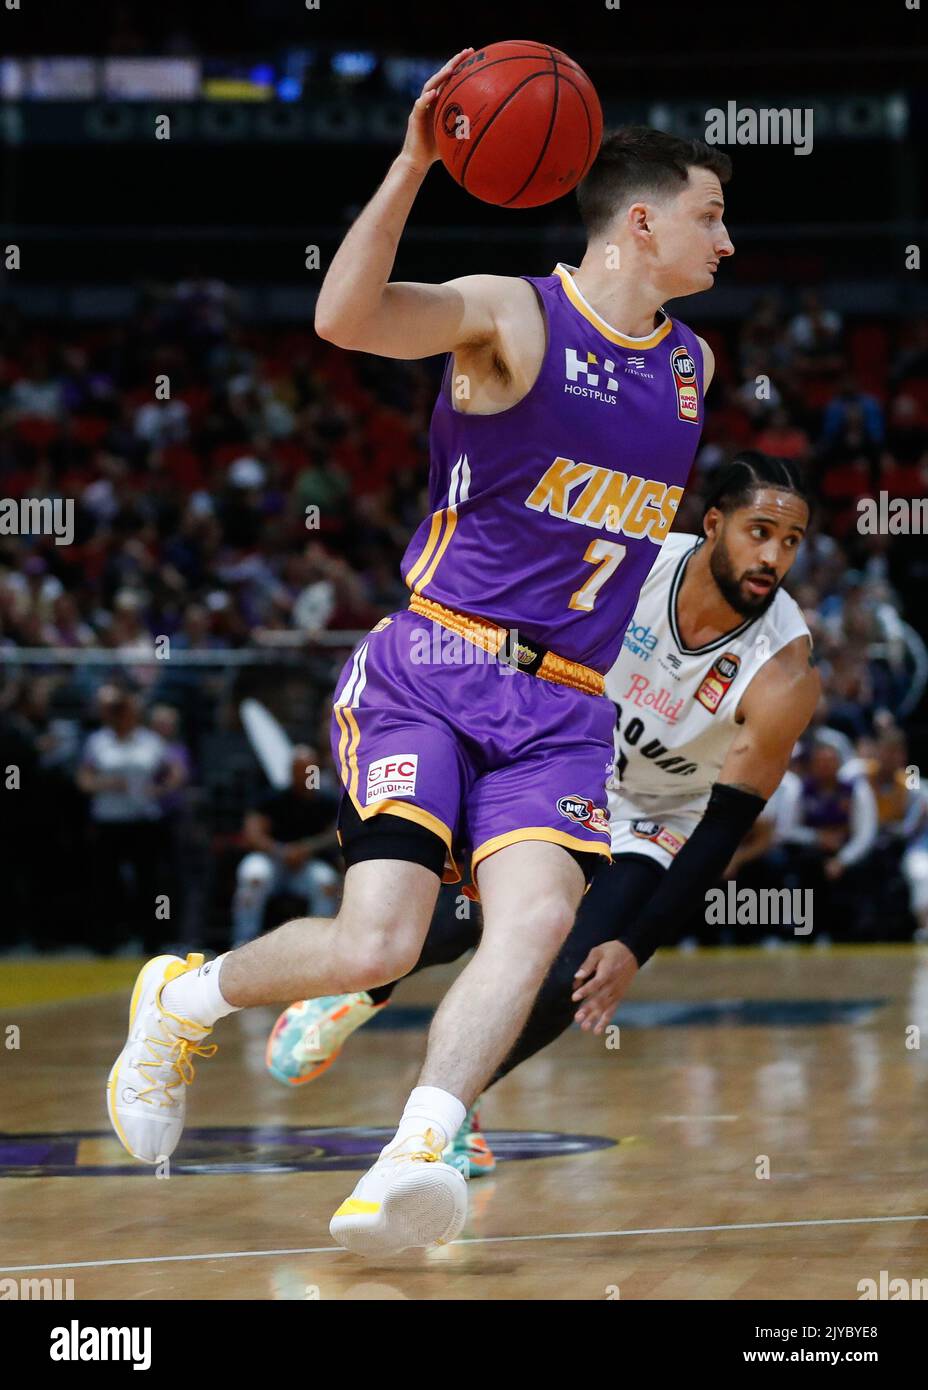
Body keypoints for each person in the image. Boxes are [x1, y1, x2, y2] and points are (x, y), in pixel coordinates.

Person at [105, 49, 734, 1256]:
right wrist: (410, 162)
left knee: (535, 921)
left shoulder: (694, 369)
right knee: (380, 941)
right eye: (711, 216)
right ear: (640, 223)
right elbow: (344, 317)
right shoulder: (510, 310)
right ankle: (180, 996)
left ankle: (412, 1153)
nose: (728, 241)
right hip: (435, 668)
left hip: (565, 704)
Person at [268, 454, 820, 1170]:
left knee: (573, 975)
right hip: (562, 759)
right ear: (713, 524)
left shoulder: (785, 672)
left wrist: (635, 946)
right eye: (760, 532)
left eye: (792, 542)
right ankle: (353, 991)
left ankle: (449, 1106)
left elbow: (723, 827)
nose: (773, 556)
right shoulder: (636, 567)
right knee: (463, 916)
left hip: (657, 814)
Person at [231, 745, 341, 948]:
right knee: (253, 874)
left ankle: (318, 947)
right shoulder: (273, 798)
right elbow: (252, 833)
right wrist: (282, 851)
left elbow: (336, 833)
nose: (304, 774)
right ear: (291, 771)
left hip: (308, 864)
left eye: (309, 769)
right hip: (273, 861)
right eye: (299, 769)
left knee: (325, 882)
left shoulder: (327, 801)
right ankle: (243, 942)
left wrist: (307, 848)